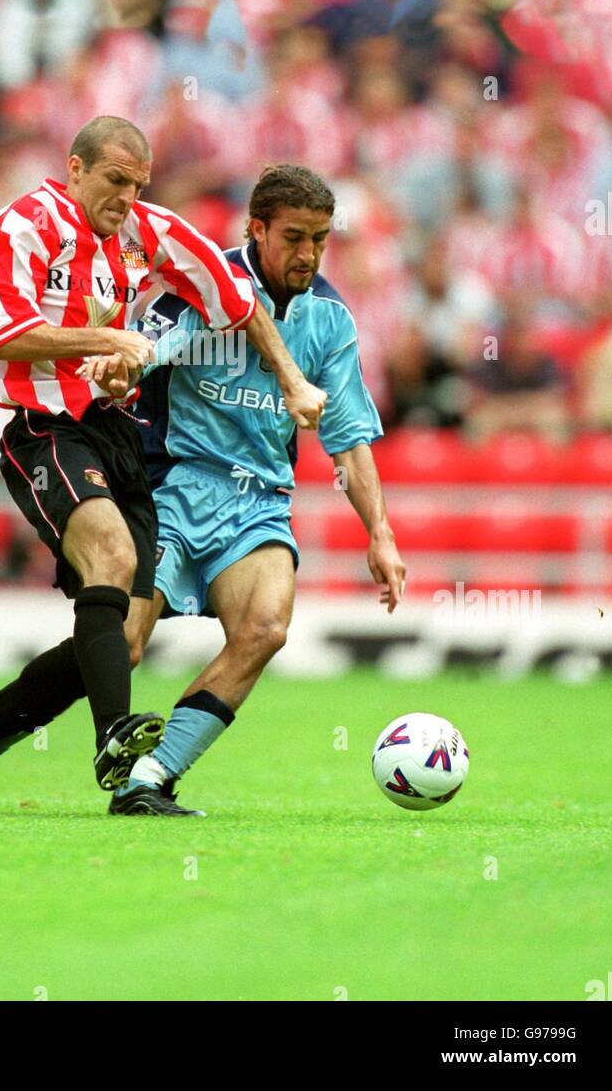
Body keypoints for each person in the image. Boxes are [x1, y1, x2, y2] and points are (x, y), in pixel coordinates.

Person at [0, 116, 327, 812]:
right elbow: (5, 335)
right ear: (76, 167)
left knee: (117, 643)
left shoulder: (151, 231)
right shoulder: (13, 232)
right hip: (43, 430)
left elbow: (238, 304)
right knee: (113, 557)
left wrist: (294, 380)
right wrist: (109, 337)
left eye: (137, 184)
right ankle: (117, 741)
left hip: (117, 433)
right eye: (115, 181)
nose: (126, 197)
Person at [106, 164, 406, 814]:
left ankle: (150, 778)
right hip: (173, 487)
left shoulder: (329, 319)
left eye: (320, 240)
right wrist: (126, 356)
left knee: (266, 627)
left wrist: (379, 534)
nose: (308, 254)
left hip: (257, 501)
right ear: (257, 228)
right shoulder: (201, 284)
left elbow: (349, 437)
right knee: (121, 645)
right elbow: (144, 348)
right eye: (294, 237)